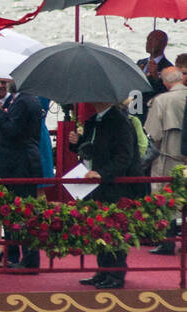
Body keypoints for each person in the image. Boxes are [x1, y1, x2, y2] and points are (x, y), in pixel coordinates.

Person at [69, 102, 143, 288]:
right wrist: (76, 143)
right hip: (96, 185)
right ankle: (103, 270)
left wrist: (102, 173)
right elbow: (87, 149)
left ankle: (116, 274)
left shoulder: (120, 122)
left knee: (115, 229)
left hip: (116, 185)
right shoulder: (93, 120)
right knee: (100, 228)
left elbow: (124, 157)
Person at [0, 80, 43, 270]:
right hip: (13, 166)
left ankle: (28, 259)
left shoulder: (24, 102)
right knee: (10, 213)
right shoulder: (18, 100)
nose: (7, 83)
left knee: (22, 215)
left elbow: (14, 131)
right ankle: (13, 256)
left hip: (20, 167)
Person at [145, 66, 187, 254]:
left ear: (164, 82)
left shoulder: (161, 101)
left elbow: (153, 134)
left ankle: (167, 242)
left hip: (169, 155)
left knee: (166, 198)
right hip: (183, 155)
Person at [136, 29, 171, 122]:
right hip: (136, 107)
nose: (148, 43)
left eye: (152, 40)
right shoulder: (141, 62)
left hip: (152, 112)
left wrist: (156, 78)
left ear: (163, 44)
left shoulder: (168, 67)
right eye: (147, 39)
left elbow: (167, 93)